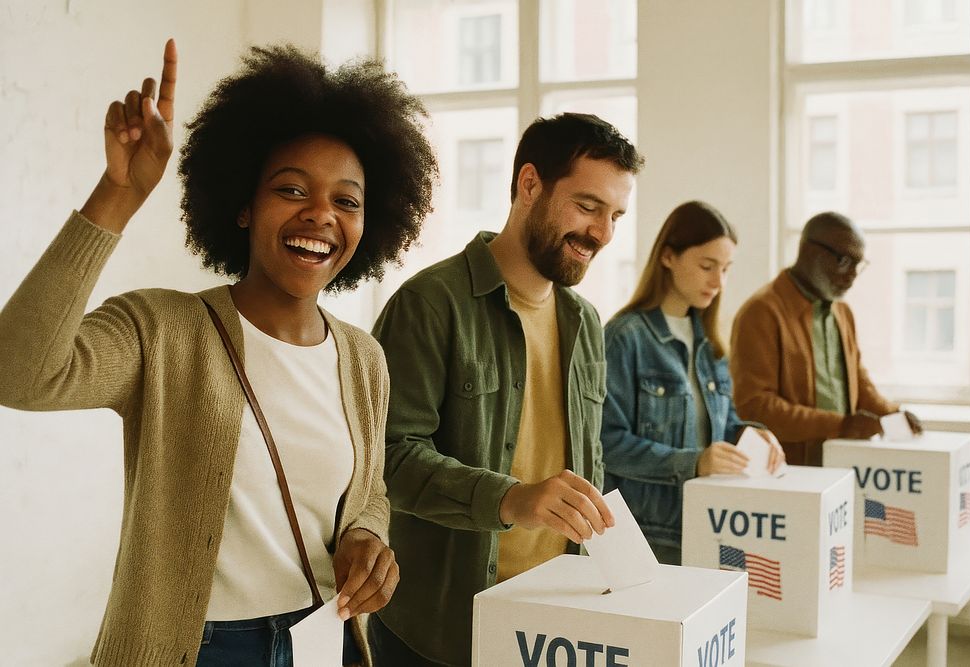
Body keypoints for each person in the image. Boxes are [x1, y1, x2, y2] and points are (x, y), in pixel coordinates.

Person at [0, 40, 438, 667]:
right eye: (291, 190)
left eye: (346, 200)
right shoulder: (163, 329)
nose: (321, 214)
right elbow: (17, 373)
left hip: (323, 637)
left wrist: (368, 536)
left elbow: (367, 490)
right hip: (197, 648)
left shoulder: (363, 358)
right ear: (243, 204)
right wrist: (116, 195)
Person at [368, 112, 644, 666]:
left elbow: (588, 461)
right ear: (529, 184)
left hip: (551, 623)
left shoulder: (587, 322)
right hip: (442, 630)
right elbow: (388, 459)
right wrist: (512, 499)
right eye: (587, 206)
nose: (602, 233)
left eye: (615, 215)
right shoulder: (429, 303)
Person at [601, 201, 784, 565]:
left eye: (726, 269)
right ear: (668, 257)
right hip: (647, 536)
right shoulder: (625, 337)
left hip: (708, 527)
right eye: (707, 266)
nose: (718, 282)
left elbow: (722, 426)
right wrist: (693, 462)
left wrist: (754, 434)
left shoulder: (711, 344)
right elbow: (606, 443)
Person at [730, 211, 922, 466]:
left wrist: (892, 414)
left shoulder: (841, 312)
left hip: (843, 464)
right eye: (844, 260)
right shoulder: (761, 312)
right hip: (789, 470)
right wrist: (841, 425)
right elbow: (756, 408)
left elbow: (858, 382)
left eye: (858, 264)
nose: (852, 274)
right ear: (808, 251)